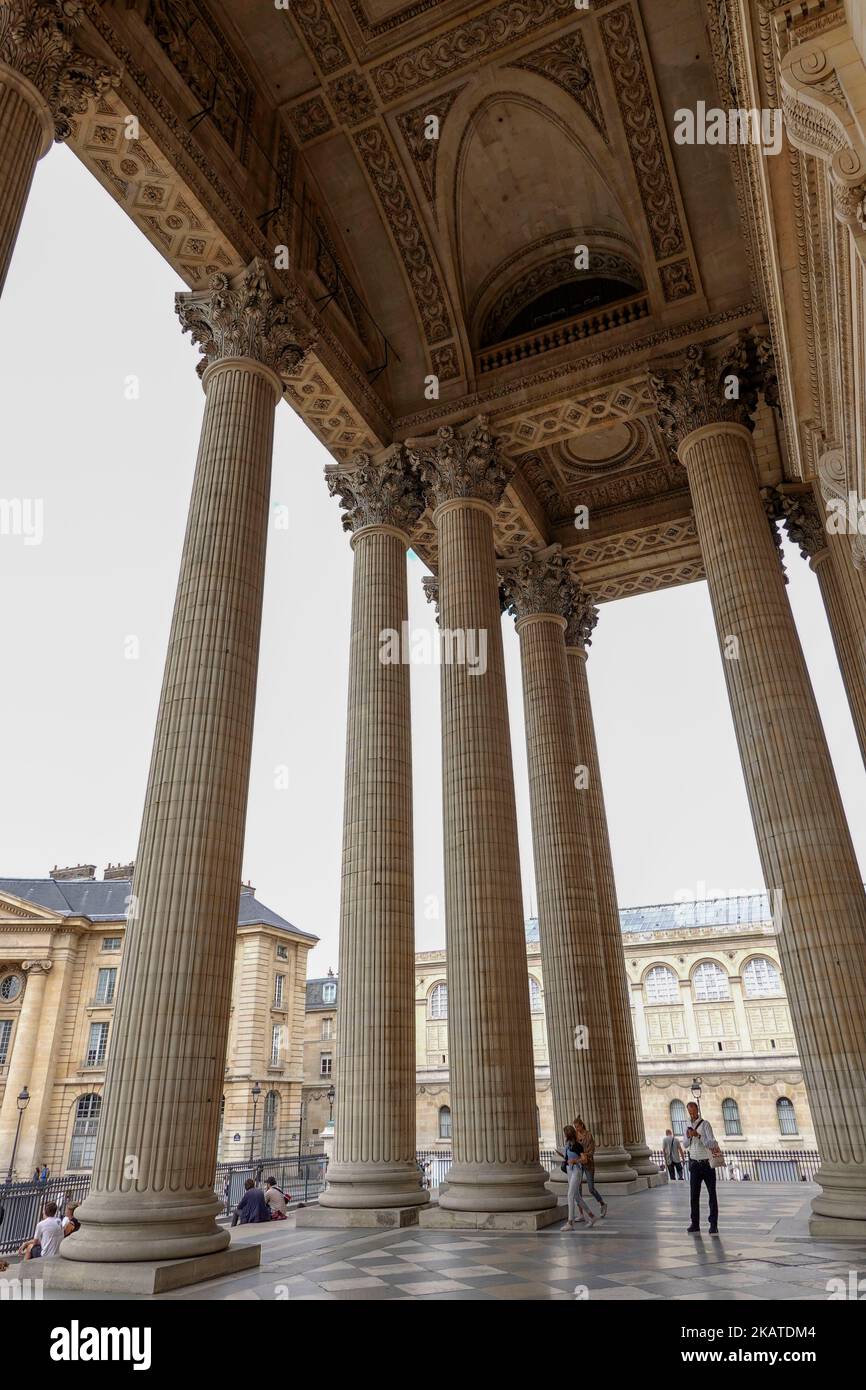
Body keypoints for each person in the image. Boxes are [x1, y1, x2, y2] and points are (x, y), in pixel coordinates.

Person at [684, 1101, 719, 1234]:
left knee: (712, 1194)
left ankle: (713, 1223)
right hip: (694, 1164)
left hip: (706, 1164)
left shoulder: (705, 1124)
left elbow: (712, 1142)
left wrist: (698, 1135)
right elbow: (685, 1145)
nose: (691, 1114)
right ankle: (695, 1223)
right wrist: (688, 1137)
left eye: (693, 1111)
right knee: (694, 1196)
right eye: (689, 1112)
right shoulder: (687, 1126)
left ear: (697, 1110)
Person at [559, 1125, 595, 1231]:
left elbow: (585, 1160)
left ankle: (570, 1222)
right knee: (577, 1197)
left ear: (568, 1134)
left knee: (570, 1195)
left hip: (576, 1171)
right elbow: (568, 1158)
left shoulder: (578, 1146)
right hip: (569, 1170)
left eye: (565, 1133)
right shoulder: (567, 1144)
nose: (564, 1135)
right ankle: (592, 1217)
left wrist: (575, 1161)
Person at [573, 1116, 607, 1217]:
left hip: (588, 1164)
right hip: (579, 1164)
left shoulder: (589, 1135)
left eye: (578, 1126)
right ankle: (581, 1214)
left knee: (591, 1188)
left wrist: (584, 1155)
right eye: (575, 1127)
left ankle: (602, 1203)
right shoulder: (575, 1136)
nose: (577, 1129)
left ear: (582, 1125)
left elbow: (592, 1151)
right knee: (578, 1189)